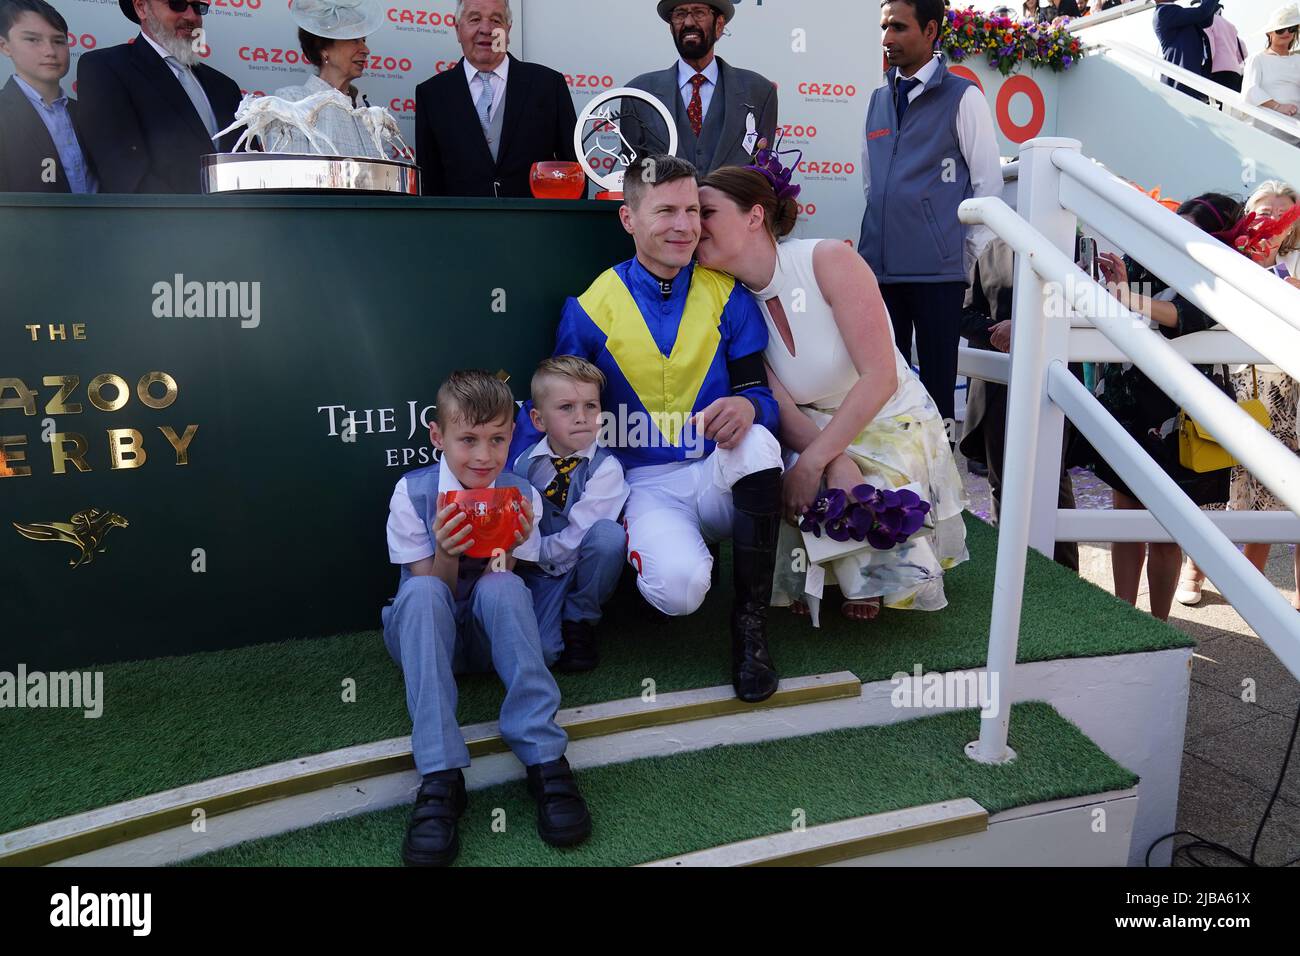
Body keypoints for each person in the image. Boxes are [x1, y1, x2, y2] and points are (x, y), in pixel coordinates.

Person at [510, 154, 785, 703]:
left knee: (758, 443)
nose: (684, 226)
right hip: (643, 488)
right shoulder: (591, 306)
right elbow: (561, 414)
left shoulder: (727, 294)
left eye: (691, 210)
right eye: (665, 211)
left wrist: (752, 409)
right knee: (680, 592)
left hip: (714, 472)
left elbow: (760, 395)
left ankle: (751, 628)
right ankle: (651, 573)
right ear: (628, 218)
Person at [698, 159, 969, 622]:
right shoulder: (731, 300)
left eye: (706, 212)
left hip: (888, 411)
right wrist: (827, 458)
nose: (692, 224)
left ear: (755, 216)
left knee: (868, 477)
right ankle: (830, 575)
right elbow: (779, 402)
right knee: (789, 468)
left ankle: (869, 578)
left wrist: (818, 460)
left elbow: (880, 377)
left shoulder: (827, 260)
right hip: (811, 421)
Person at [382, 369, 591, 867]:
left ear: (513, 435)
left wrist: (509, 547)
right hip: (429, 636)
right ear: (438, 436)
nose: (482, 456)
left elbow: (503, 583)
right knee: (423, 591)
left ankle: (544, 756)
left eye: (497, 439)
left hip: (488, 640)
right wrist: (447, 550)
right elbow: (435, 587)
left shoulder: (521, 495)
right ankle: (440, 776)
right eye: (468, 440)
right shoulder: (411, 493)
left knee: (503, 584)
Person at [1090, 193, 1242, 621]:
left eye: (1192, 232)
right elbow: (1121, 305)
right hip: (1129, 401)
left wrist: (1126, 295)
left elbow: (1186, 316)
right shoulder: (1144, 258)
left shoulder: (1222, 275)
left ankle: (1158, 625)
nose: (1178, 237)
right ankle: (1122, 618)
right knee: (1125, 517)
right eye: (1177, 225)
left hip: (1179, 414)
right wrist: (1119, 279)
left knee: (1167, 531)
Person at [859, 0, 1003, 437]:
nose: (887, 39)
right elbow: (872, 184)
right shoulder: (877, 99)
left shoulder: (964, 96)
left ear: (931, 30)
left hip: (938, 277)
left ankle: (938, 497)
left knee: (938, 393)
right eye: (884, 27)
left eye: (899, 28)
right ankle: (888, 497)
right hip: (877, 271)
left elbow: (987, 190)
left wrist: (960, 261)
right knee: (882, 392)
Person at [1178, 182, 1300, 608]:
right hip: (1229, 384)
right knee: (1219, 478)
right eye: (1263, 211)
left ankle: (1251, 581)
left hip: (1281, 389)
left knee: (1272, 486)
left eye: (1281, 215)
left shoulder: (1292, 273)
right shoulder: (1223, 256)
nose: (1270, 221)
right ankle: (1195, 570)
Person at [958, 237, 1080, 572]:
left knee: (1052, 480)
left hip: (1052, 385)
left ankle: (1065, 580)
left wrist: (1025, 328)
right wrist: (998, 332)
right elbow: (965, 313)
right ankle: (1010, 572)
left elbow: (1084, 308)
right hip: (999, 386)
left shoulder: (1073, 244)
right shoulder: (994, 251)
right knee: (1003, 482)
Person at [511, 356, 629, 672]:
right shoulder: (523, 464)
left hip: (579, 567)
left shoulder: (606, 469)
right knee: (544, 653)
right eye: (566, 408)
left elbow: (578, 535)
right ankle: (545, 619)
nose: (581, 417)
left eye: (590, 406)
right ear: (538, 420)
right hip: (536, 573)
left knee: (608, 536)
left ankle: (580, 618)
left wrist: (531, 554)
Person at [414, 0, 577, 197]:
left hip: (535, 225)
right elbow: (429, 181)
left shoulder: (549, 85)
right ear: (458, 29)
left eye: (496, 20)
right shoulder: (432, 94)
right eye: (474, 19)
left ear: (508, 29)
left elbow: (574, 170)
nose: (486, 29)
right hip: (460, 225)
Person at [75, 0, 241, 193]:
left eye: (197, 7)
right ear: (142, 8)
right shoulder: (106, 68)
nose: (191, 17)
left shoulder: (225, 86)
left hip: (235, 219)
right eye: (176, 5)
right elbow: (124, 170)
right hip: (161, 219)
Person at [624, 1, 778, 176]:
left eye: (699, 13)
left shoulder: (759, 92)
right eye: (680, 14)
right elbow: (637, 177)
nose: (688, 22)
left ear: (719, 25)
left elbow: (760, 174)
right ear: (671, 28)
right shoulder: (638, 94)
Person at [269, 0, 397, 159]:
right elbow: (291, 173)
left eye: (364, 40)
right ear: (323, 49)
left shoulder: (374, 115)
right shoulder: (291, 101)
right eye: (354, 40)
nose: (366, 50)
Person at [0, 0, 96, 192]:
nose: (50, 52)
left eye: (59, 41)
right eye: (33, 40)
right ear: (5, 46)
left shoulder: (88, 113)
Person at [1242, 4, 1300, 143]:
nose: (1286, 33)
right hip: (1268, 128)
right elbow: (1250, 90)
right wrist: (1278, 107)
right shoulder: (1258, 58)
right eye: (1280, 29)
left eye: (1291, 29)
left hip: (1295, 130)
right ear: (1269, 33)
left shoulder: (1298, 59)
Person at [1153, 0, 1221, 102]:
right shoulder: (1163, 12)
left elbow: (1204, 21)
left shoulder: (1173, 12)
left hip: (1190, 78)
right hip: (1181, 81)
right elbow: (1201, 13)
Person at [1202, 10, 1247, 93]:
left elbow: (1210, 46)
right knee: (1230, 103)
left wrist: (1205, 66)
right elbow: (1243, 51)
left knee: (1216, 103)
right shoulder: (1230, 26)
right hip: (1235, 71)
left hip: (1217, 70)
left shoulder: (1208, 21)